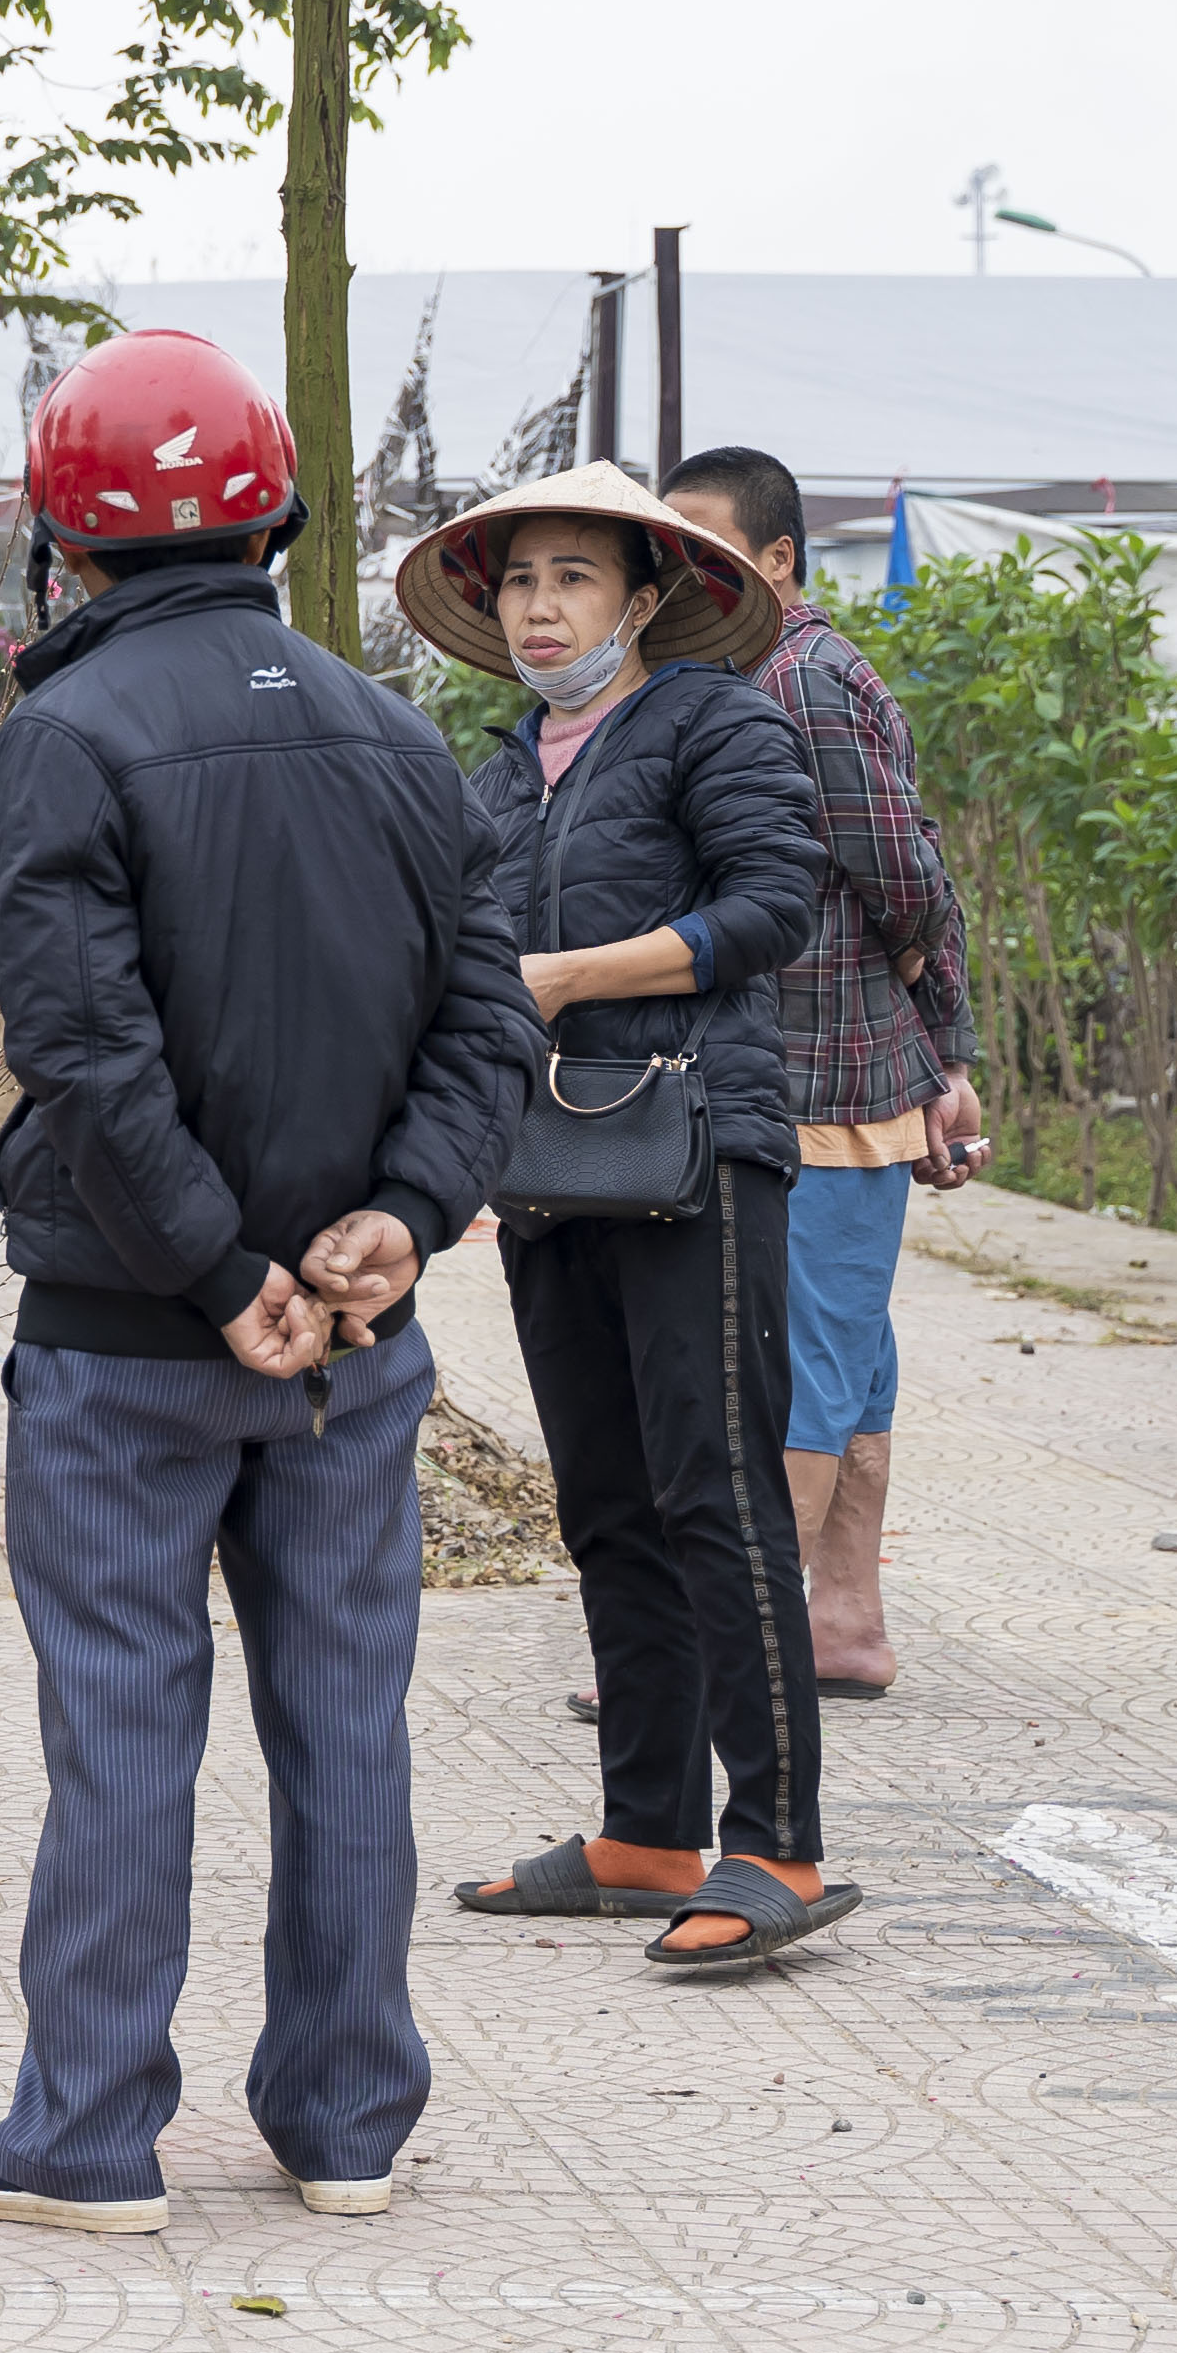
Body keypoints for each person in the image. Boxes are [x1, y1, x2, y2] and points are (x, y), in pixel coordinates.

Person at [0, 330, 536, 2239]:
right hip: (356, 1330)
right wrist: (402, 1216)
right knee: (349, 1718)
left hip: (130, 1335)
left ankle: (88, 2135)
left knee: (122, 1720)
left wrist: (209, 1267)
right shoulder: (401, 735)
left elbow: (85, 1053)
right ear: (274, 513)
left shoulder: (63, 738)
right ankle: (347, 2122)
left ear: (58, 542)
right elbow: (486, 1018)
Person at [401, 466, 845, 1975]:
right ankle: (647, 1826)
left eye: (574, 580)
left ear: (644, 601)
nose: (539, 609)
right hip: (550, 1172)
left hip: (699, 1151)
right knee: (603, 1501)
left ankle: (774, 1838)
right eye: (519, 582)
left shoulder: (717, 724)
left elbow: (778, 903)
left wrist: (576, 975)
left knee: (717, 1491)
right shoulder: (499, 769)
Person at [660, 448, 988, 1699]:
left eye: (707, 539)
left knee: (798, 1362)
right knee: (851, 1359)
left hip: (835, 1079)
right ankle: (844, 1622)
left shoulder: (804, 676)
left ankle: (722, 1653)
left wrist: (943, 1054)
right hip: (810, 1069)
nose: (680, 563)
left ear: (780, 558)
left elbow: (906, 874)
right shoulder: (744, 673)